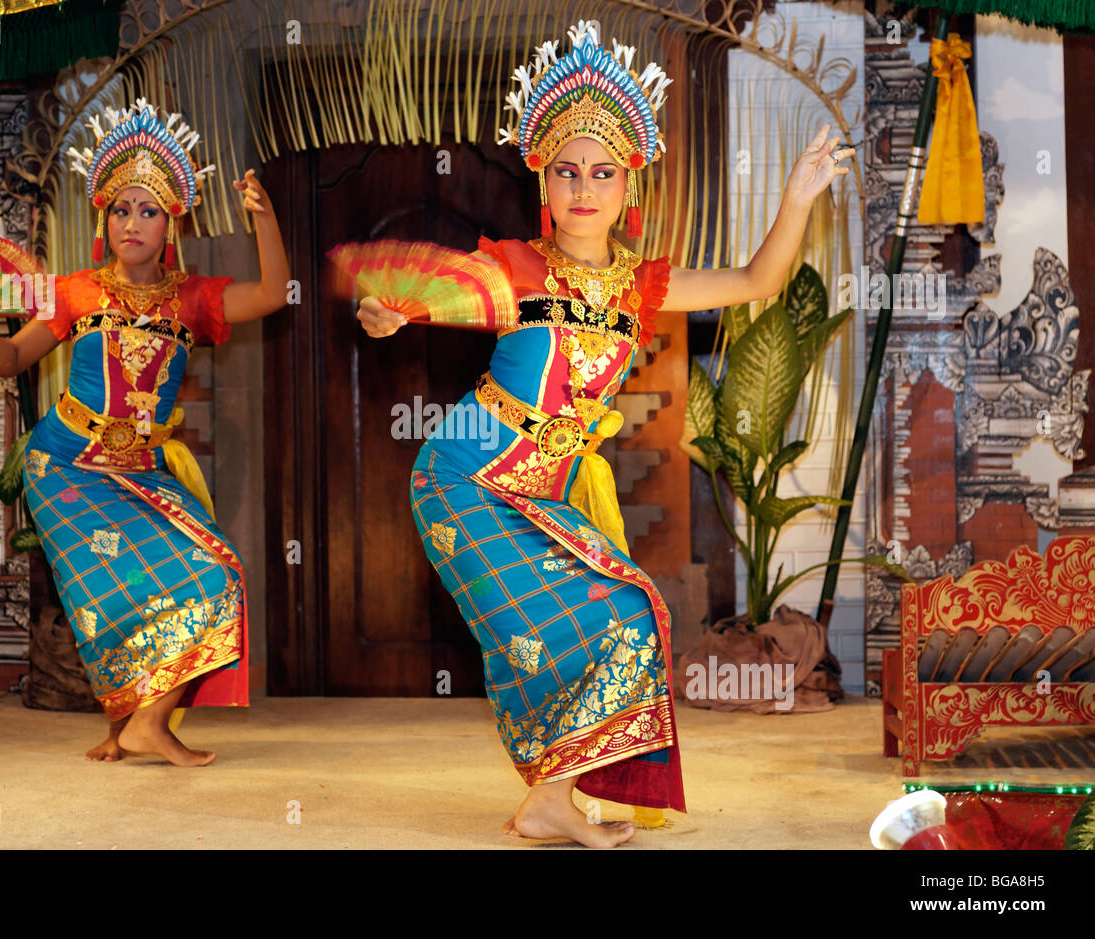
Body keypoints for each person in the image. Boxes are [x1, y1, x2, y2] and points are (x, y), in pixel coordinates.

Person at [355, 22, 851, 846]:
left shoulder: (640, 289)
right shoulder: (511, 268)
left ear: (629, 183)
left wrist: (797, 197)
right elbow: (415, 298)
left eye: (603, 171)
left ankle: (548, 798)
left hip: (535, 493)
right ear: (543, 180)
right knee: (604, 613)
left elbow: (758, 279)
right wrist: (382, 314)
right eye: (567, 170)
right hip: (462, 480)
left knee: (625, 615)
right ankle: (550, 795)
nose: (585, 187)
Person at [0, 99, 290, 766]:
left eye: (148, 210)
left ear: (171, 223)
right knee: (113, 596)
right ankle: (137, 725)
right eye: (120, 208)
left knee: (217, 573)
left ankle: (141, 723)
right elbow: (14, 361)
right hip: (66, 464)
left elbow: (276, 292)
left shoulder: (193, 299)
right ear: (105, 214)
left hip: (141, 470)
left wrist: (266, 219)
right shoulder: (76, 291)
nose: (132, 222)